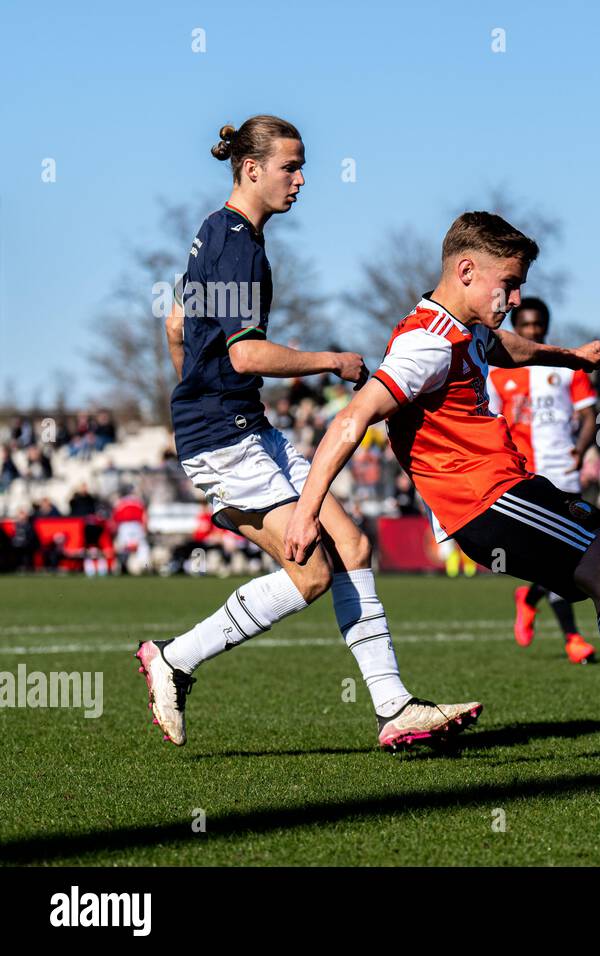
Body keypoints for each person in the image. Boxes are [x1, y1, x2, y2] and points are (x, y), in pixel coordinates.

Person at [283, 211, 600, 781]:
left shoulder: (464, 328)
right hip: (486, 502)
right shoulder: (425, 344)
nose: (514, 296)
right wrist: (307, 511)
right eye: (507, 284)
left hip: (511, 492)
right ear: (466, 270)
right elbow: (351, 421)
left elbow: (506, 347)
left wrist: (569, 357)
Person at [136, 115, 479, 751]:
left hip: (235, 424)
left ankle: (393, 708)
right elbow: (244, 356)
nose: (301, 180)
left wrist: (195, 396)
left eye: (302, 167)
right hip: (225, 433)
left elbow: (177, 326)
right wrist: (333, 360)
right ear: (252, 170)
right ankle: (175, 659)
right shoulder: (237, 242)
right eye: (290, 168)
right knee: (310, 573)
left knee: (352, 546)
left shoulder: (215, 231)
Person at [486, 297, 599, 664]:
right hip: (524, 474)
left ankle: (530, 597)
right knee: (558, 555)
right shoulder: (497, 372)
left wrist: (581, 450)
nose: (533, 331)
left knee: (573, 549)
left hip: (564, 470)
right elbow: (491, 423)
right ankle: (572, 639)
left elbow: (588, 417)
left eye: (538, 325)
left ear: (546, 326)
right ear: (515, 326)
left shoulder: (567, 367)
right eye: (526, 325)